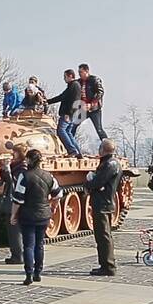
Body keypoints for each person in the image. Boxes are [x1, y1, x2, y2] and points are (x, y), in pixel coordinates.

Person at [11, 148, 63, 285]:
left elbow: (18, 199)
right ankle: (38, 273)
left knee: (28, 245)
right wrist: (53, 206)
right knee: (39, 245)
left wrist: (13, 215)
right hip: (44, 215)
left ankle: (28, 274)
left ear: (28, 160)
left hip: (27, 215)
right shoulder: (48, 176)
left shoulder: (24, 176)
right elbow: (58, 194)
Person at [86, 139, 123, 276]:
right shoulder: (114, 163)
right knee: (104, 235)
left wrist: (89, 181)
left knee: (103, 236)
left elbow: (97, 182)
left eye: (100, 147)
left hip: (102, 203)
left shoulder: (109, 164)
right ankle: (106, 264)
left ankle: (108, 266)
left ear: (103, 149)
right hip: (106, 201)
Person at [0, 143, 28, 264]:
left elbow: (14, 184)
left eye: (15, 152)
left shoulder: (22, 167)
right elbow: (6, 179)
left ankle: (18, 255)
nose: (12, 154)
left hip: (16, 201)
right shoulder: (17, 165)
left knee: (14, 229)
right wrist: (4, 169)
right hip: (16, 201)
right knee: (14, 229)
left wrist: (7, 169)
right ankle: (18, 254)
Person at [47, 69, 83, 157]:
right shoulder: (73, 86)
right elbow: (62, 97)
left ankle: (72, 150)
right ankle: (77, 152)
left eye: (65, 77)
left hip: (68, 114)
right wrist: (47, 101)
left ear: (70, 76)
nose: (64, 79)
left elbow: (74, 100)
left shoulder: (74, 86)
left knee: (61, 130)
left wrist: (68, 113)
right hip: (73, 113)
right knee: (68, 132)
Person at [77, 63, 108, 140]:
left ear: (86, 71)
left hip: (94, 110)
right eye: (79, 72)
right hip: (83, 109)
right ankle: (70, 146)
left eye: (81, 72)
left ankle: (108, 147)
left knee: (99, 129)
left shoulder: (94, 80)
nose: (79, 74)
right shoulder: (78, 82)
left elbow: (100, 92)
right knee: (73, 125)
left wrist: (92, 104)